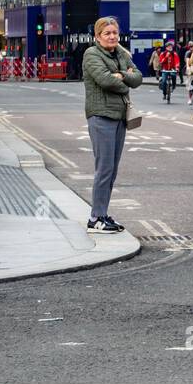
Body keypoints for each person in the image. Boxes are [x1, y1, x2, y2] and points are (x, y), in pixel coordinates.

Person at [82, 16, 141, 234]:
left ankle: (103, 214)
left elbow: (138, 78)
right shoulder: (91, 54)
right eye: (107, 33)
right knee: (104, 169)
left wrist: (121, 75)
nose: (112, 36)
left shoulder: (121, 54)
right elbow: (106, 81)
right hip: (101, 116)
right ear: (97, 37)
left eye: (115, 33)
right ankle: (95, 218)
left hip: (119, 117)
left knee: (112, 170)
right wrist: (124, 79)